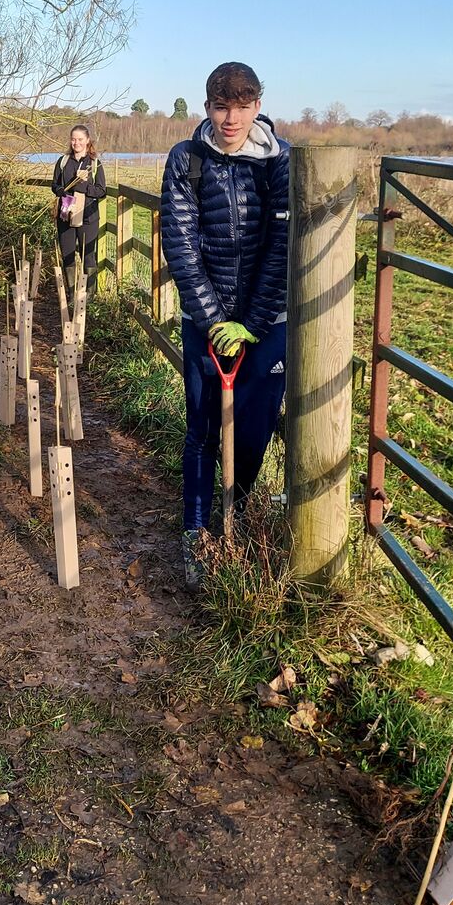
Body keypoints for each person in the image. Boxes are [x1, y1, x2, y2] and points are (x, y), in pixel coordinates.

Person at [160, 62, 289, 591]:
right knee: (202, 428)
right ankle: (196, 531)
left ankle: (239, 520)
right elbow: (181, 243)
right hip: (203, 319)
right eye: (220, 106)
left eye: (241, 106)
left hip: (268, 322)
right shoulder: (186, 160)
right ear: (206, 106)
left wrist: (252, 324)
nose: (230, 117)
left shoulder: (280, 164)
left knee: (256, 431)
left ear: (258, 105)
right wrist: (214, 322)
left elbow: (283, 247)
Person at [51, 124, 107, 296]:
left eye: (80, 139)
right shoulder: (63, 162)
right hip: (65, 216)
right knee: (67, 256)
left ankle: (90, 297)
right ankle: (71, 294)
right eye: (73, 139)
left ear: (88, 140)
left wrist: (84, 188)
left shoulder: (95, 164)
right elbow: (54, 184)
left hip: (88, 217)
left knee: (88, 256)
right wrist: (60, 190)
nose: (76, 143)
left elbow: (101, 191)